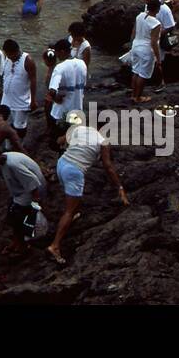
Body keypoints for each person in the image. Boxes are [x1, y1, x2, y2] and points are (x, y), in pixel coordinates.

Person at [49, 110, 128, 265]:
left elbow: (59, 141)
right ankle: (55, 245)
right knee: (69, 211)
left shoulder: (79, 129)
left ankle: (74, 213)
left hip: (61, 164)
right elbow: (108, 166)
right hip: (74, 171)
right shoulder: (103, 140)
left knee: (75, 200)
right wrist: (120, 187)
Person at [0, 148, 48, 254]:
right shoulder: (4, 159)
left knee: (17, 218)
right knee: (12, 213)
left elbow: (32, 181)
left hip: (31, 190)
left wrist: (36, 200)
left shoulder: (13, 165)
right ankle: (16, 241)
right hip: (21, 191)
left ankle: (22, 246)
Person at [0, 39, 38, 132]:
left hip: (21, 101)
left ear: (16, 51)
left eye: (10, 55)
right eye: (7, 54)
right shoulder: (7, 59)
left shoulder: (28, 61)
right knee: (4, 125)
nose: (9, 57)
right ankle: (8, 146)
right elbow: (4, 75)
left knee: (19, 128)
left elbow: (33, 81)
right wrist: (0, 87)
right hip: (6, 99)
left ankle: (19, 145)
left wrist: (33, 100)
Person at [128, 0, 162, 102]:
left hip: (136, 45)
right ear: (157, 9)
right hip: (146, 49)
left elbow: (133, 31)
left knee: (136, 71)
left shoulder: (140, 16)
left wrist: (131, 44)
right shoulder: (156, 24)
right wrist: (158, 57)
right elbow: (154, 42)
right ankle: (138, 97)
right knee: (143, 74)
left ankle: (133, 94)